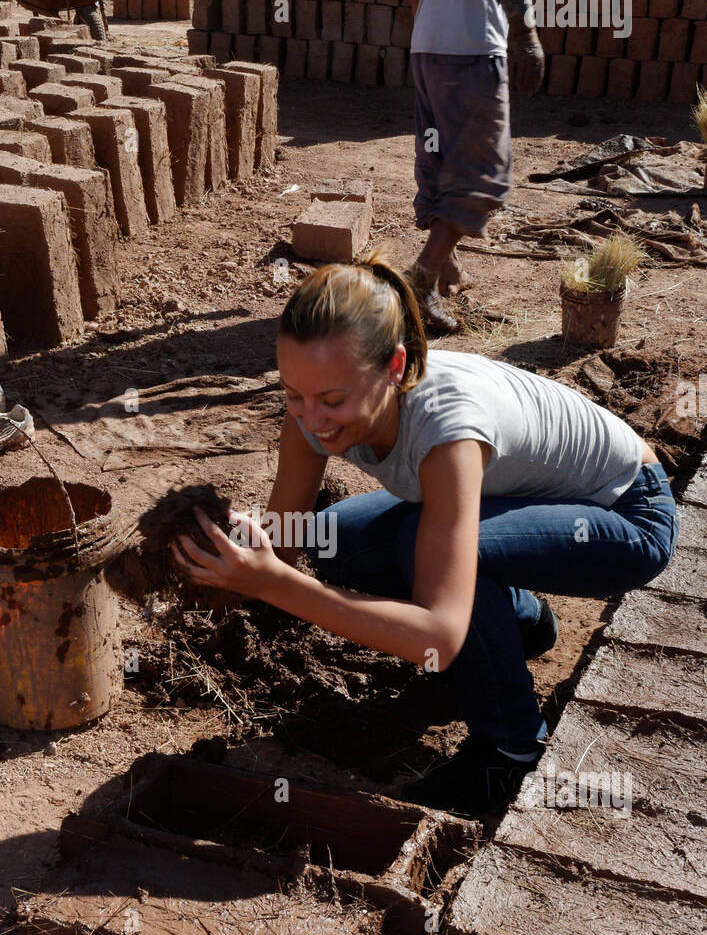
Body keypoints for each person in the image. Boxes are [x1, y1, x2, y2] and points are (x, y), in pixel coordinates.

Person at [171, 255, 679, 819]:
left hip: (625, 515)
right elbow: (285, 542)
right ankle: (520, 624)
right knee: (334, 538)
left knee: (425, 554)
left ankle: (511, 748)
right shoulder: (315, 403)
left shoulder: (448, 433)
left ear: (394, 365)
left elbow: (434, 634)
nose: (312, 419)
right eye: (294, 394)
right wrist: (239, 545)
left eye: (333, 401)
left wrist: (272, 584)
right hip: (517, 501)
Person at [406, 0, 545, 334]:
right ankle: (422, 279)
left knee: (441, 159)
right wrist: (523, 30)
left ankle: (447, 267)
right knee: (484, 170)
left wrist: (425, 37)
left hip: (427, 43)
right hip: (470, 44)